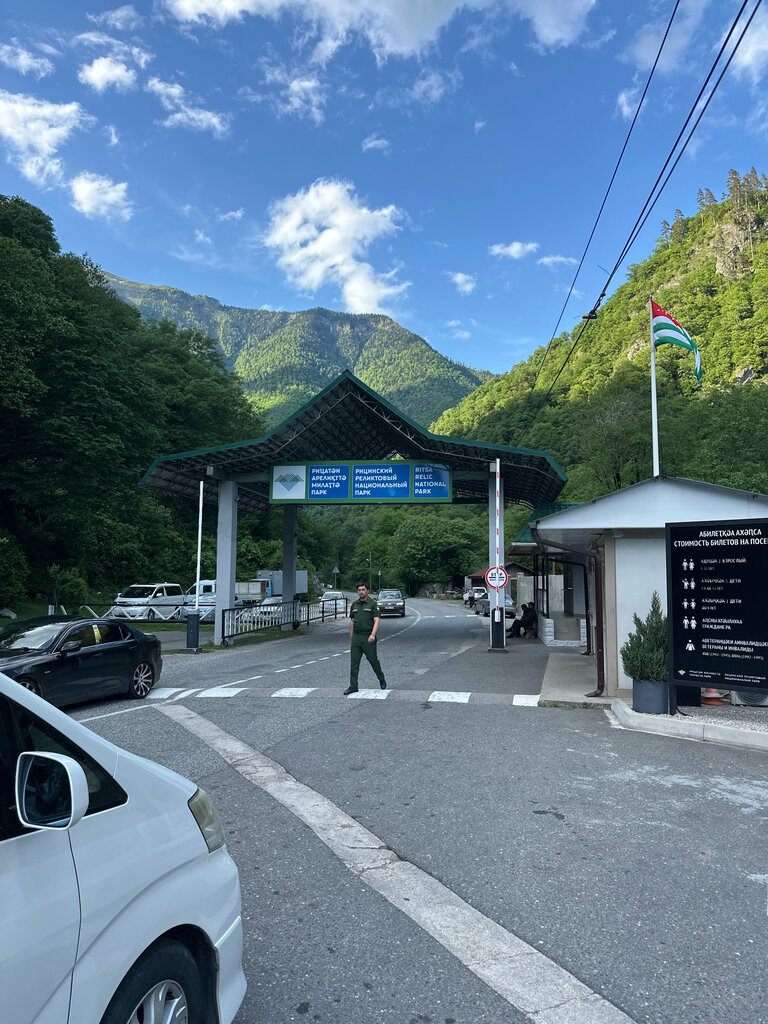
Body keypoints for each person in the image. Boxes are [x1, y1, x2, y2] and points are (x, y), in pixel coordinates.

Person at [344, 582, 387, 695]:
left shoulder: (373, 604)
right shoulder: (354, 605)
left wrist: (373, 634)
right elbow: (352, 621)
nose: (361, 592)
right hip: (357, 637)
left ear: (368, 591)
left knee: (373, 660)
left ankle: (381, 678)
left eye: (363, 589)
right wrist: (352, 637)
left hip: (368, 637)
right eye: (359, 590)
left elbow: (376, 620)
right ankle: (353, 686)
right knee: (354, 663)